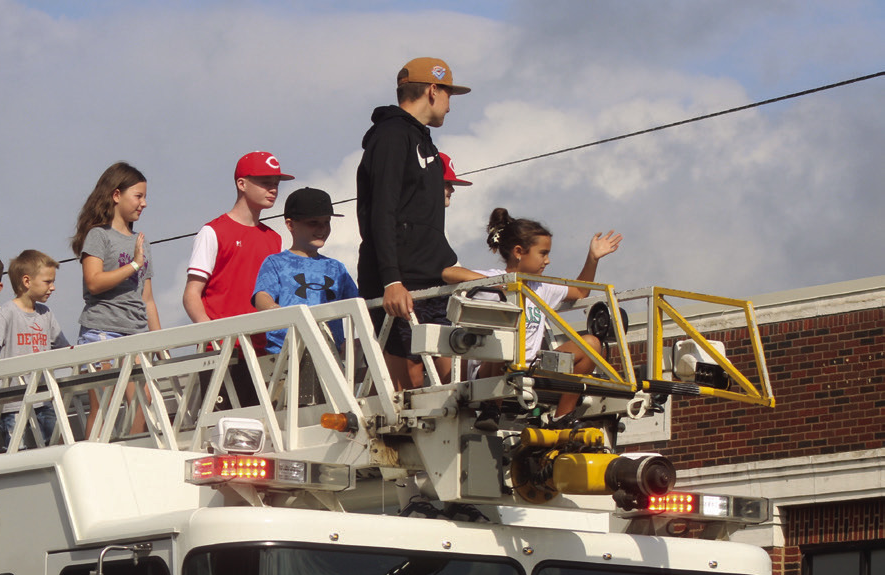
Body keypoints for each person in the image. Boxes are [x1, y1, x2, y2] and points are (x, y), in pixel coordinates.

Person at [356, 57, 471, 389]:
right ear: (433, 90)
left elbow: (427, 227)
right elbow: (382, 209)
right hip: (399, 282)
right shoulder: (391, 135)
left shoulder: (425, 141)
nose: (450, 106)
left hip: (432, 281)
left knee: (451, 378)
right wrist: (391, 280)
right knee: (411, 384)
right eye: (449, 94)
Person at [452, 208, 622, 419]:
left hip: (532, 367)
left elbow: (580, 291)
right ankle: (491, 409)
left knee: (592, 344)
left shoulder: (542, 287)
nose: (548, 260)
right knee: (505, 343)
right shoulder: (494, 278)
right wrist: (496, 285)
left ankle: (561, 417)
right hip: (491, 372)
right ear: (518, 252)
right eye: (543, 253)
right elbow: (449, 273)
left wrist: (593, 258)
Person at [183, 151, 291, 331]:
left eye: (276, 183)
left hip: (264, 347)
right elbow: (191, 294)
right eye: (265, 183)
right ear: (242, 184)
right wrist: (213, 335)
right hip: (224, 348)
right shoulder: (213, 232)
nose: (273, 189)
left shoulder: (275, 238)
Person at [252, 188, 360, 352]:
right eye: (313, 223)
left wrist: (356, 343)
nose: (322, 229)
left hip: (331, 353)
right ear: (290, 225)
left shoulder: (336, 268)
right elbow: (262, 296)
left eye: (326, 222)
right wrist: (278, 311)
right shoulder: (275, 262)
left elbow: (358, 304)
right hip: (286, 355)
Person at [0, 250, 61, 452]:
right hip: (13, 400)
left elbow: (63, 346)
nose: (53, 287)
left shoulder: (46, 314)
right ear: (27, 281)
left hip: (42, 396)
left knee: (56, 443)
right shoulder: (9, 311)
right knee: (16, 449)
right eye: (47, 281)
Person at [73, 162, 161, 343]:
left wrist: (161, 347)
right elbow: (94, 282)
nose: (144, 203)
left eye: (145, 197)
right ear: (116, 195)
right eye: (138, 196)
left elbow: (148, 300)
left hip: (138, 333)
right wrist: (134, 265)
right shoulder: (98, 235)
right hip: (102, 332)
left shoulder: (142, 242)